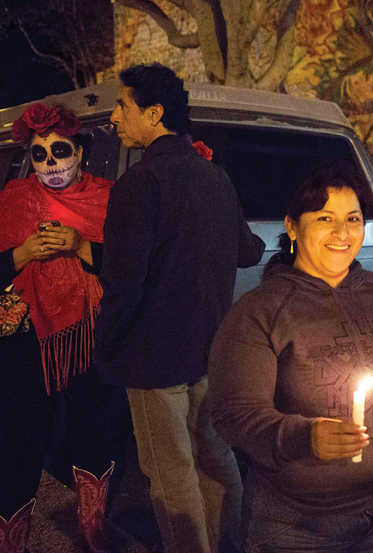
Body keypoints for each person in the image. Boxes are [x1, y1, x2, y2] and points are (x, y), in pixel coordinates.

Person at [207, 165, 373, 553]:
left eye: (353, 219)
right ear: (292, 227)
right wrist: (304, 437)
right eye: (325, 218)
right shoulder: (261, 312)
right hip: (300, 525)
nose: (343, 233)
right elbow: (233, 414)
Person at [93, 63, 265, 553]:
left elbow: (122, 281)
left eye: (122, 105)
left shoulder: (139, 183)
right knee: (214, 454)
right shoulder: (215, 177)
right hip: (208, 347)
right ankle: (228, 543)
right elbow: (248, 251)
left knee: (171, 473)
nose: (114, 117)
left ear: (154, 113)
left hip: (153, 357)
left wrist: (107, 347)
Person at [0, 103, 123, 553]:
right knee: (18, 442)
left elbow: (127, 267)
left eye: (60, 151)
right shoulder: (14, 198)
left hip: (88, 336)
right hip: (26, 342)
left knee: (94, 430)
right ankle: (11, 541)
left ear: (80, 153)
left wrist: (81, 244)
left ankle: (93, 528)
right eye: (40, 154)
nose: (51, 163)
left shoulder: (108, 198)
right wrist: (24, 253)